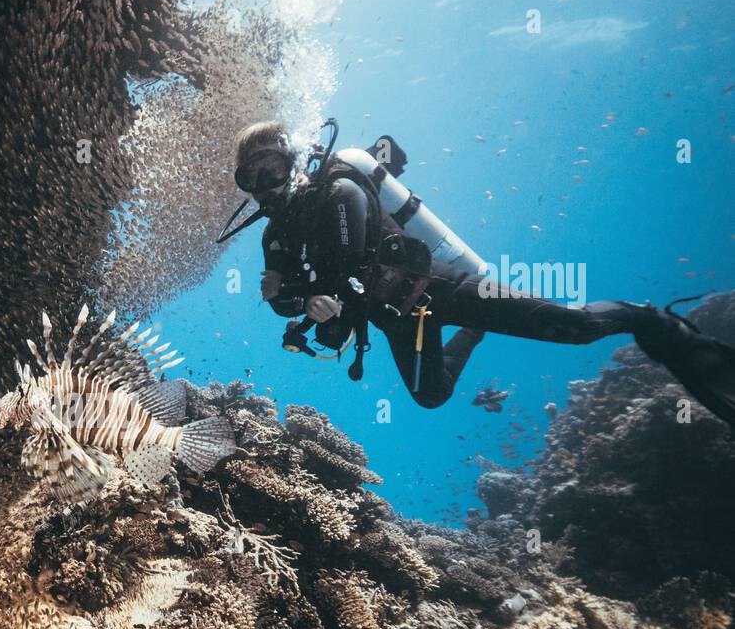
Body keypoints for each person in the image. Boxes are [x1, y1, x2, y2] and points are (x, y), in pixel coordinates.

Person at [219, 119, 735, 425]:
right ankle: (476, 332)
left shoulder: (340, 191)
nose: (266, 183)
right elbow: (291, 299)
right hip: (397, 316)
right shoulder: (275, 237)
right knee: (430, 395)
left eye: (274, 168)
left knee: (573, 329)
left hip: (444, 288)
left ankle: (649, 320)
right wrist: (282, 298)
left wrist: (315, 297)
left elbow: (350, 270)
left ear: (294, 162)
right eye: (252, 177)